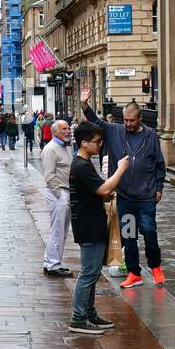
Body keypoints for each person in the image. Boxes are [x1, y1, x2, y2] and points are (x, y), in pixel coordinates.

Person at [81, 88, 167, 289]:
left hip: (146, 197)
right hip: (125, 197)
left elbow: (159, 163)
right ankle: (134, 273)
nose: (127, 124)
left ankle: (155, 268)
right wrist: (85, 105)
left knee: (149, 231)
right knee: (129, 236)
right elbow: (96, 122)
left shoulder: (151, 136)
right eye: (125, 120)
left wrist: (159, 187)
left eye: (131, 120)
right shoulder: (115, 131)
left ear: (140, 118)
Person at [67, 122, 130, 335]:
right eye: (97, 142)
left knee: (92, 274)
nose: (99, 145)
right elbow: (103, 188)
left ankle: (89, 313)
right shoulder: (81, 166)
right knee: (88, 274)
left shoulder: (84, 163)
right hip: (88, 225)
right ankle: (78, 318)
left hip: (91, 222)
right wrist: (121, 169)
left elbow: (98, 192)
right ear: (84, 143)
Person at [39, 119, 75, 277]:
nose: (68, 131)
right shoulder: (50, 149)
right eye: (64, 129)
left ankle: (51, 261)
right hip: (58, 192)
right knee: (58, 230)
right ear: (55, 132)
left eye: (68, 128)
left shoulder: (65, 147)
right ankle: (53, 264)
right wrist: (60, 194)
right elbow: (49, 175)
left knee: (61, 230)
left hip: (65, 191)